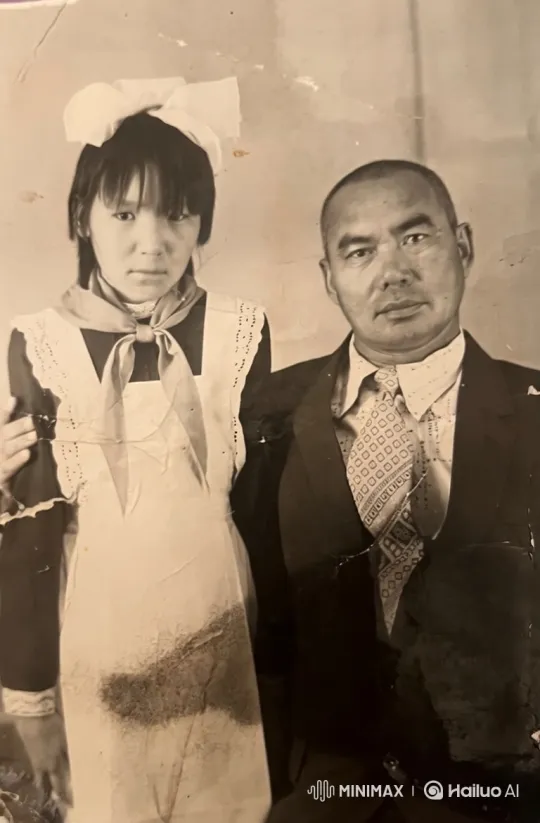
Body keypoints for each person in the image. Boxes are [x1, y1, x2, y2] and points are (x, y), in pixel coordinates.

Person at [0, 76, 280, 823]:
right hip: (99, 633)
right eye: (124, 213)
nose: (151, 244)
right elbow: (31, 532)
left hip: (222, 624)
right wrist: (29, 695)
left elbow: (266, 511)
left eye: (177, 214)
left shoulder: (240, 330)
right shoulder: (42, 342)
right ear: (82, 218)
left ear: (201, 222)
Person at [237, 159, 540, 823]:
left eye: (416, 237)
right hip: (321, 799)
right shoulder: (263, 412)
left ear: (463, 245)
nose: (393, 272)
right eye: (360, 251)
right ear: (328, 278)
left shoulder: (534, 409)